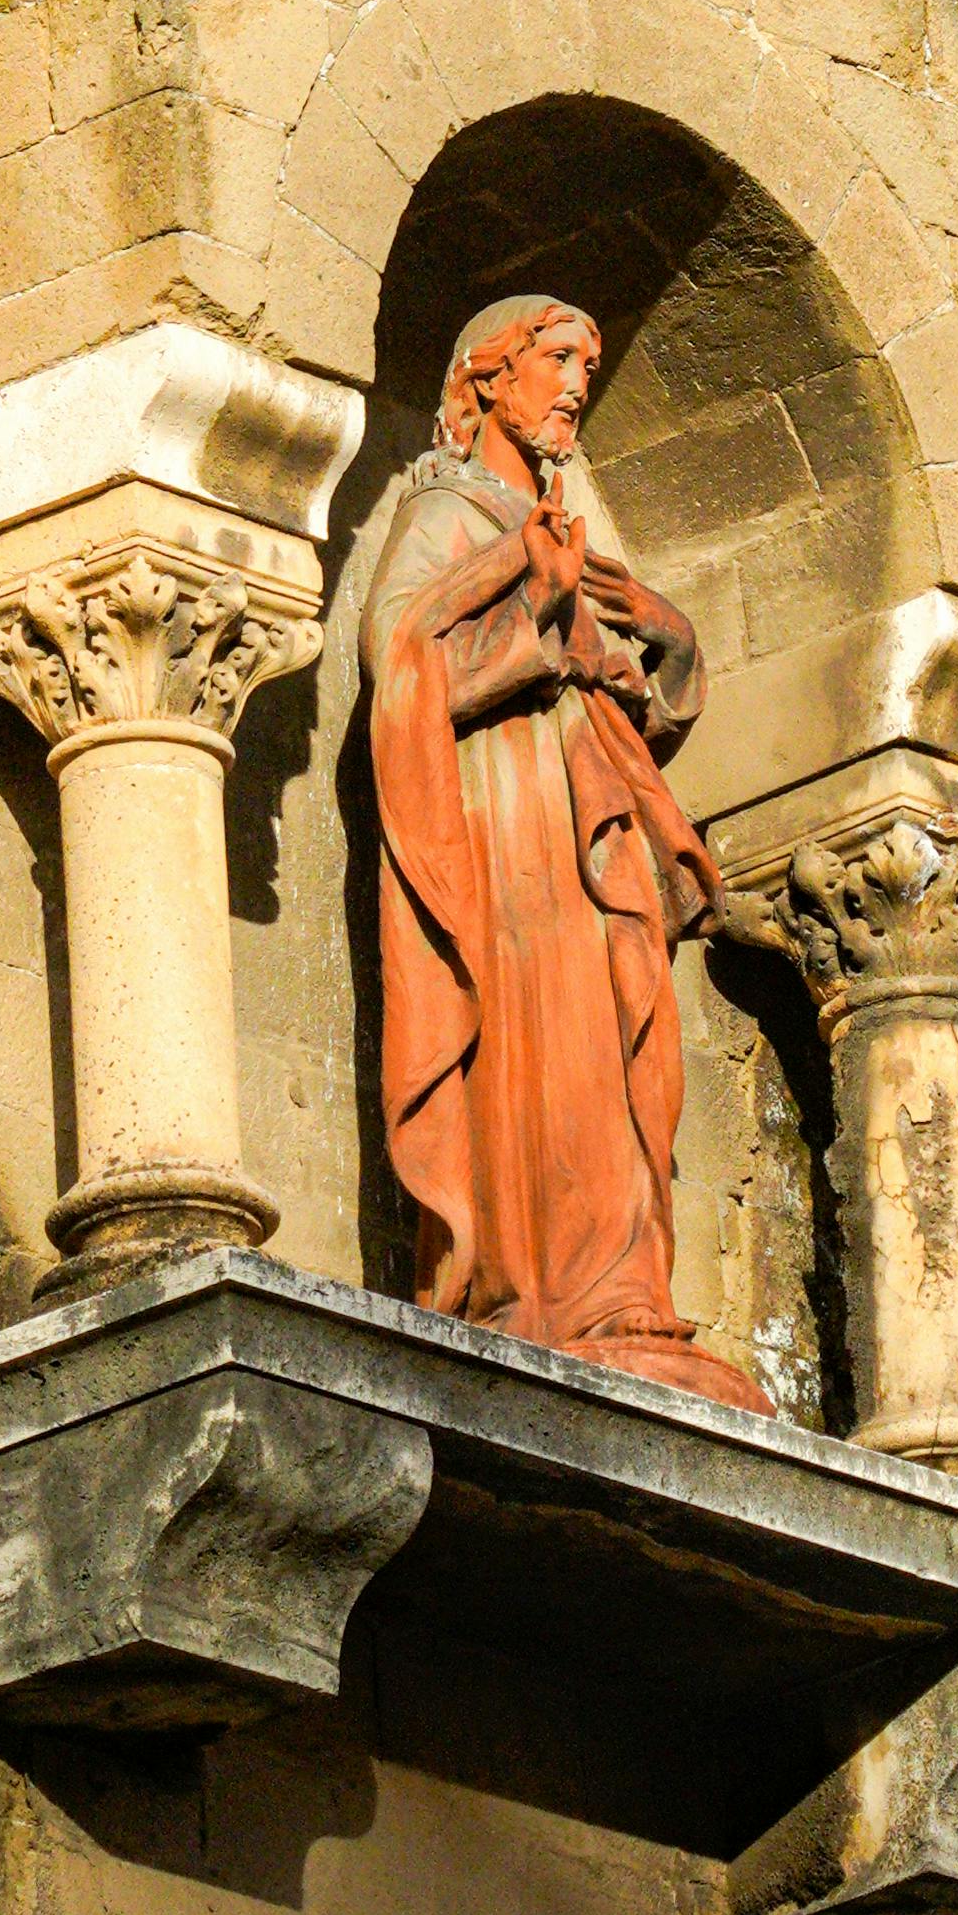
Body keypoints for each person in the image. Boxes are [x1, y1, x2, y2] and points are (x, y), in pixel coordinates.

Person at [364, 291, 766, 1410]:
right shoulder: (447, 514)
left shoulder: (552, 531)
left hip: (587, 825)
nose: (574, 385)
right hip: (506, 821)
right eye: (554, 361)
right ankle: (535, 1287)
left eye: (586, 366)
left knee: (621, 1037)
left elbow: (629, 706)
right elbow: (402, 664)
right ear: (489, 376)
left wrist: (665, 637)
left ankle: (624, 1284)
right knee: (542, 1037)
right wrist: (529, 605)